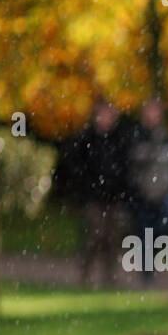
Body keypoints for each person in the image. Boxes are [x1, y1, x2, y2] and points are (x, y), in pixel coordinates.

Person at [64, 99, 133, 286]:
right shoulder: (87, 140)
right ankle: (85, 275)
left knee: (112, 238)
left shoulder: (119, 140)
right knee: (94, 236)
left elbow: (125, 169)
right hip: (93, 198)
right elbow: (77, 168)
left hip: (114, 197)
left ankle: (110, 278)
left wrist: (122, 194)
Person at [127, 98, 168, 285]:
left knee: (162, 229)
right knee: (144, 232)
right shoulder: (137, 136)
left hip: (163, 192)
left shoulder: (165, 136)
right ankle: (146, 273)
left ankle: (154, 264)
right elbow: (133, 164)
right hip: (142, 193)